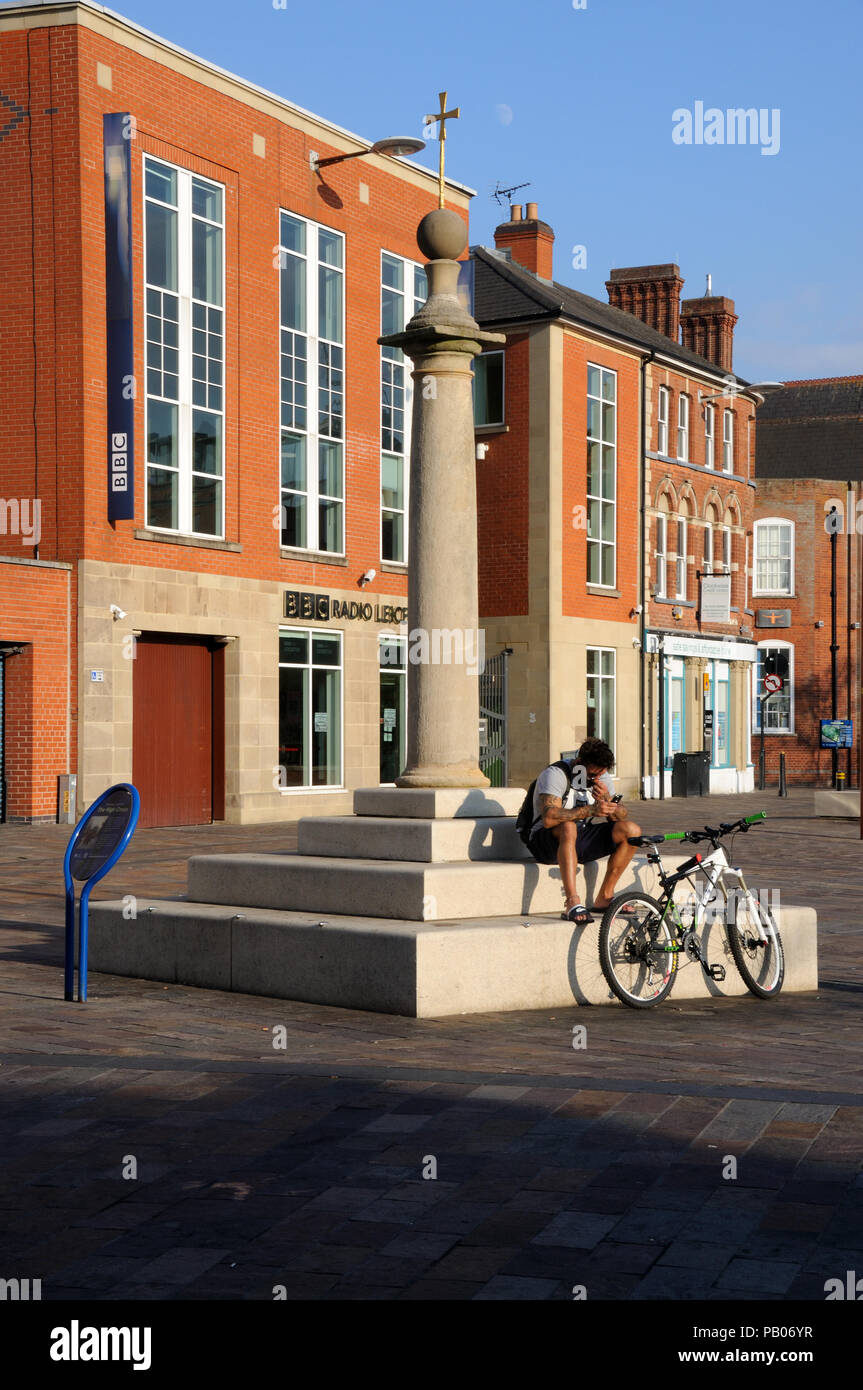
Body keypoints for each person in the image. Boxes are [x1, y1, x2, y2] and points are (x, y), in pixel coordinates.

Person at [526, 737, 641, 924]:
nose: (595, 779)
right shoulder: (556, 773)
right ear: (580, 763)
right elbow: (548, 818)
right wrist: (591, 810)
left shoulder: (600, 776)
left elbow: (621, 816)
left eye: (601, 774)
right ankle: (572, 902)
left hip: (579, 836)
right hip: (544, 842)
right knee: (568, 826)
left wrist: (607, 801)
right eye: (592, 774)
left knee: (631, 830)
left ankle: (604, 897)